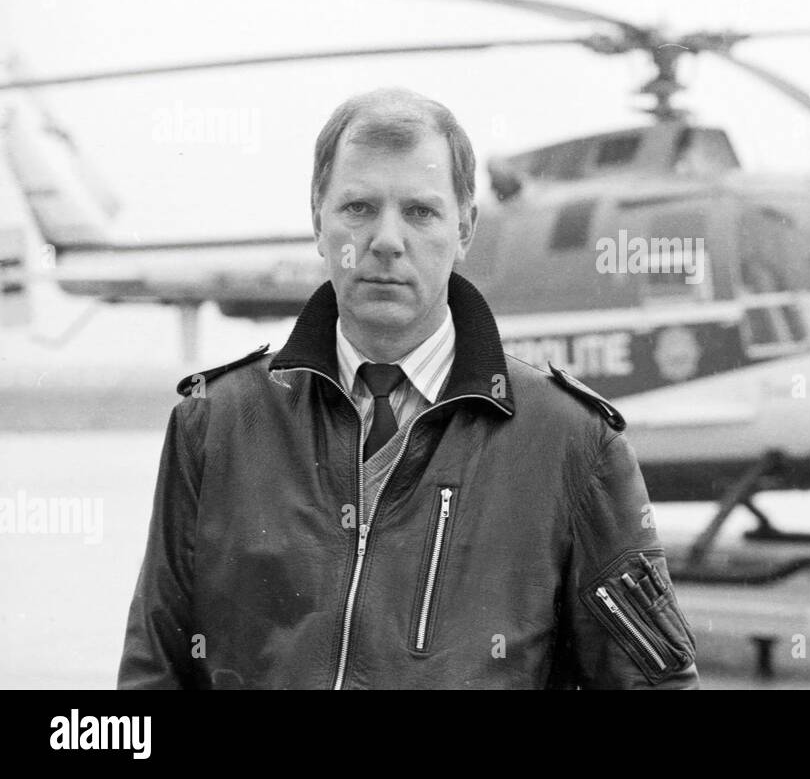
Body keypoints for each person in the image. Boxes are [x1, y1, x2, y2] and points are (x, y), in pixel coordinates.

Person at [117, 87, 699, 689]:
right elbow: (151, 675)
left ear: (465, 228)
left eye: (420, 212)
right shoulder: (213, 425)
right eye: (359, 208)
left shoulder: (573, 443)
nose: (387, 240)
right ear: (318, 219)